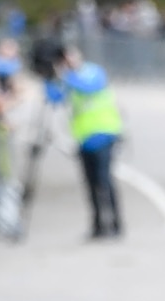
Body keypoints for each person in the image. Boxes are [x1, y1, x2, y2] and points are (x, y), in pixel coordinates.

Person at [51, 49, 123, 239]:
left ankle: (116, 223)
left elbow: (90, 86)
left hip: (103, 133)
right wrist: (49, 78)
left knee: (104, 180)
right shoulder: (67, 80)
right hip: (84, 138)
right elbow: (54, 97)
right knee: (90, 184)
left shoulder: (92, 72)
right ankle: (98, 225)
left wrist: (66, 75)